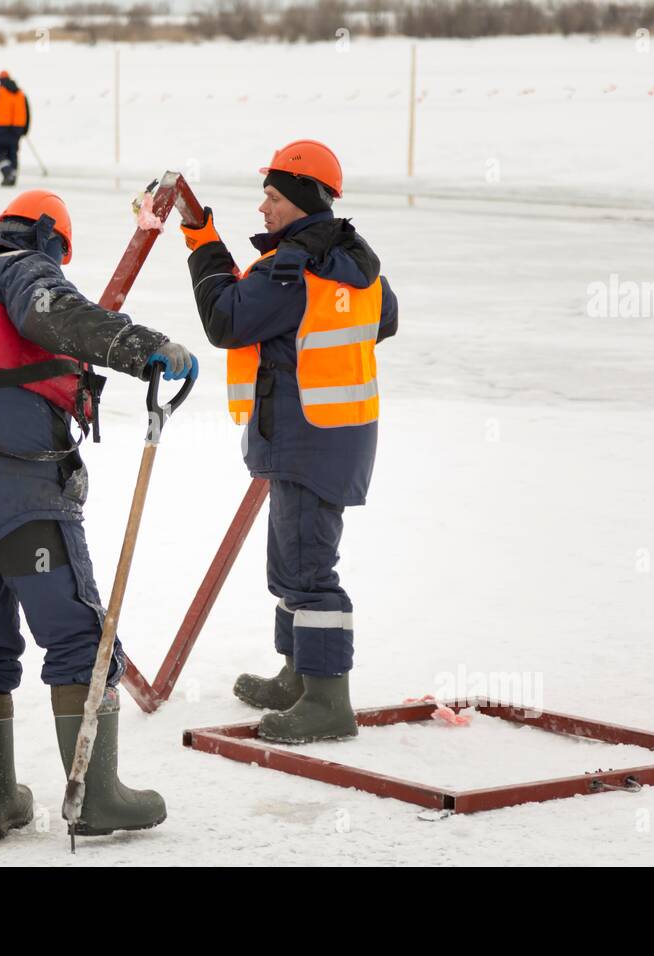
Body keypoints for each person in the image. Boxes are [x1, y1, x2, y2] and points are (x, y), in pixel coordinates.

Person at [0, 189, 196, 840]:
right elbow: (49, 310)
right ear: (49, 237)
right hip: (8, 477)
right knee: (78, 628)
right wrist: (142, 347)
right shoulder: (13, 264)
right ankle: (95, 793)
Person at [179, 140, 398, 744]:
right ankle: (297, 674)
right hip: (328, 432)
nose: (263, 209)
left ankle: (328, 700)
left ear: (302, 201)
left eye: (272, 197)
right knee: (291, 562)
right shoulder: (355, 259)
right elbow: (385, 320)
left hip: (308, 437)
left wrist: (202, 244)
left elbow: (226, 320)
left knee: (308, 569)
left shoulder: (296, 267)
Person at [0, 70, 29, 186]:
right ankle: (12, 176)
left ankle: (7, 173)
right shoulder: (21, 94)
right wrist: (25, 129)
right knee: (13, 154)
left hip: (0, 129)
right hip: (16, 130)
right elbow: (27, 112)